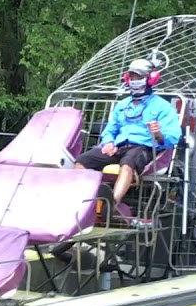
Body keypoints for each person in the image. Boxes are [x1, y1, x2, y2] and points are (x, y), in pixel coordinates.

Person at [74, 58, 181, 222]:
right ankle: (87, 203)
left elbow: (172, 137)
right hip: (118, 146)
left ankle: (111, 204)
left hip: (144, 147)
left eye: (138, 78)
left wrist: (158, 133)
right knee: (82, 161)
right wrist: (108, 141)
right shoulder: (122, 104)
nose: (134, 81)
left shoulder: (163, 107)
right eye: (132, 78)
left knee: (128, 163)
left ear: (150, 79)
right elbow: (110, 129)